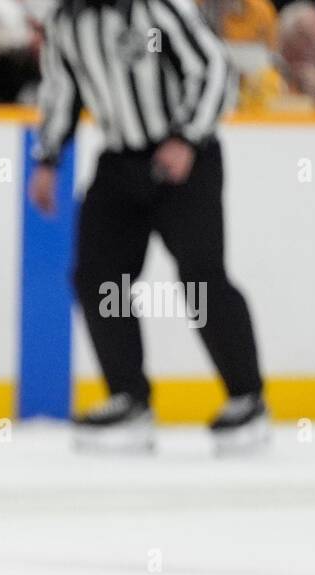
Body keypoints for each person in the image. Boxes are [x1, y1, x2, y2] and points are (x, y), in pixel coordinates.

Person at [28, 0, 268, 453]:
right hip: (121, 162)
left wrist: (187, 138)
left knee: (202, 276)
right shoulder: (64, 20)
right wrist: (48, 158)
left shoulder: (156, 7)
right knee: (98, 277)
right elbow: (62, 89)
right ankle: (129, 397)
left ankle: (247, 397)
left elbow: (214, 68)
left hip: (186, 161)